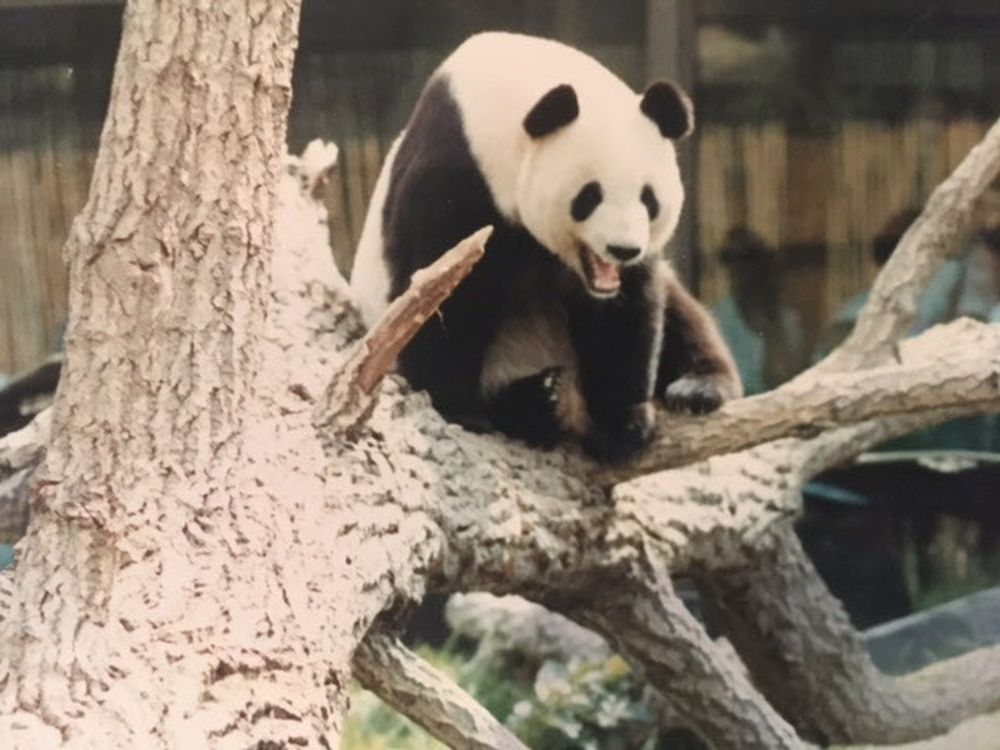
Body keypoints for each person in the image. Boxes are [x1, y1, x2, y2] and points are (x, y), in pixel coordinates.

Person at [711, 227, 808, 395]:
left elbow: (788, 376)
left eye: (749, 261)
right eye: (732, 262)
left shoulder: (788, 321)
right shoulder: (717, 319)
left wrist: (774, 329)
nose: (740, 272)